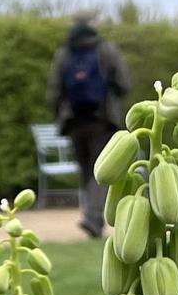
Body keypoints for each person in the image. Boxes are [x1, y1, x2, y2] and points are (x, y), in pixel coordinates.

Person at [47, 18, 131, 238]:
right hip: (101, 118)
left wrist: (61, 114)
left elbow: (54, 90)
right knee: (101, 169)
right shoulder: (106, 49)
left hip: (74, 120)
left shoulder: (64, 53)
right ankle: (93, 217)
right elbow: (124, 83)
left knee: (87, 169)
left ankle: (92, 216)